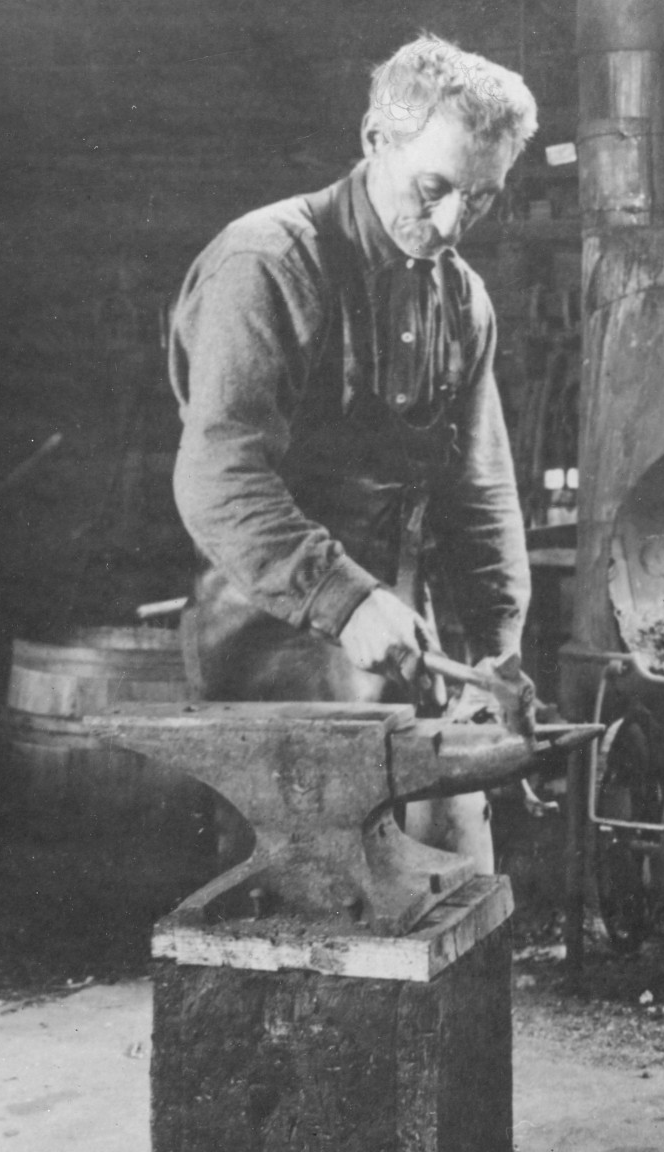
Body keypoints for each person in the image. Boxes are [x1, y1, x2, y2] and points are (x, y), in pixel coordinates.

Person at [168, 32, 537, 870]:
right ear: (377, 141)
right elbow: (218, 478)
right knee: (313, 895)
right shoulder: (268, 262)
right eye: (435, 189)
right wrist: (342, 600)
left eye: (480, 200)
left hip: (408, 627)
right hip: (278, 629)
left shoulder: (463, 298)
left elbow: (479, 486)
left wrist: (497, 647)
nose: (450, 224)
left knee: (451, 877)